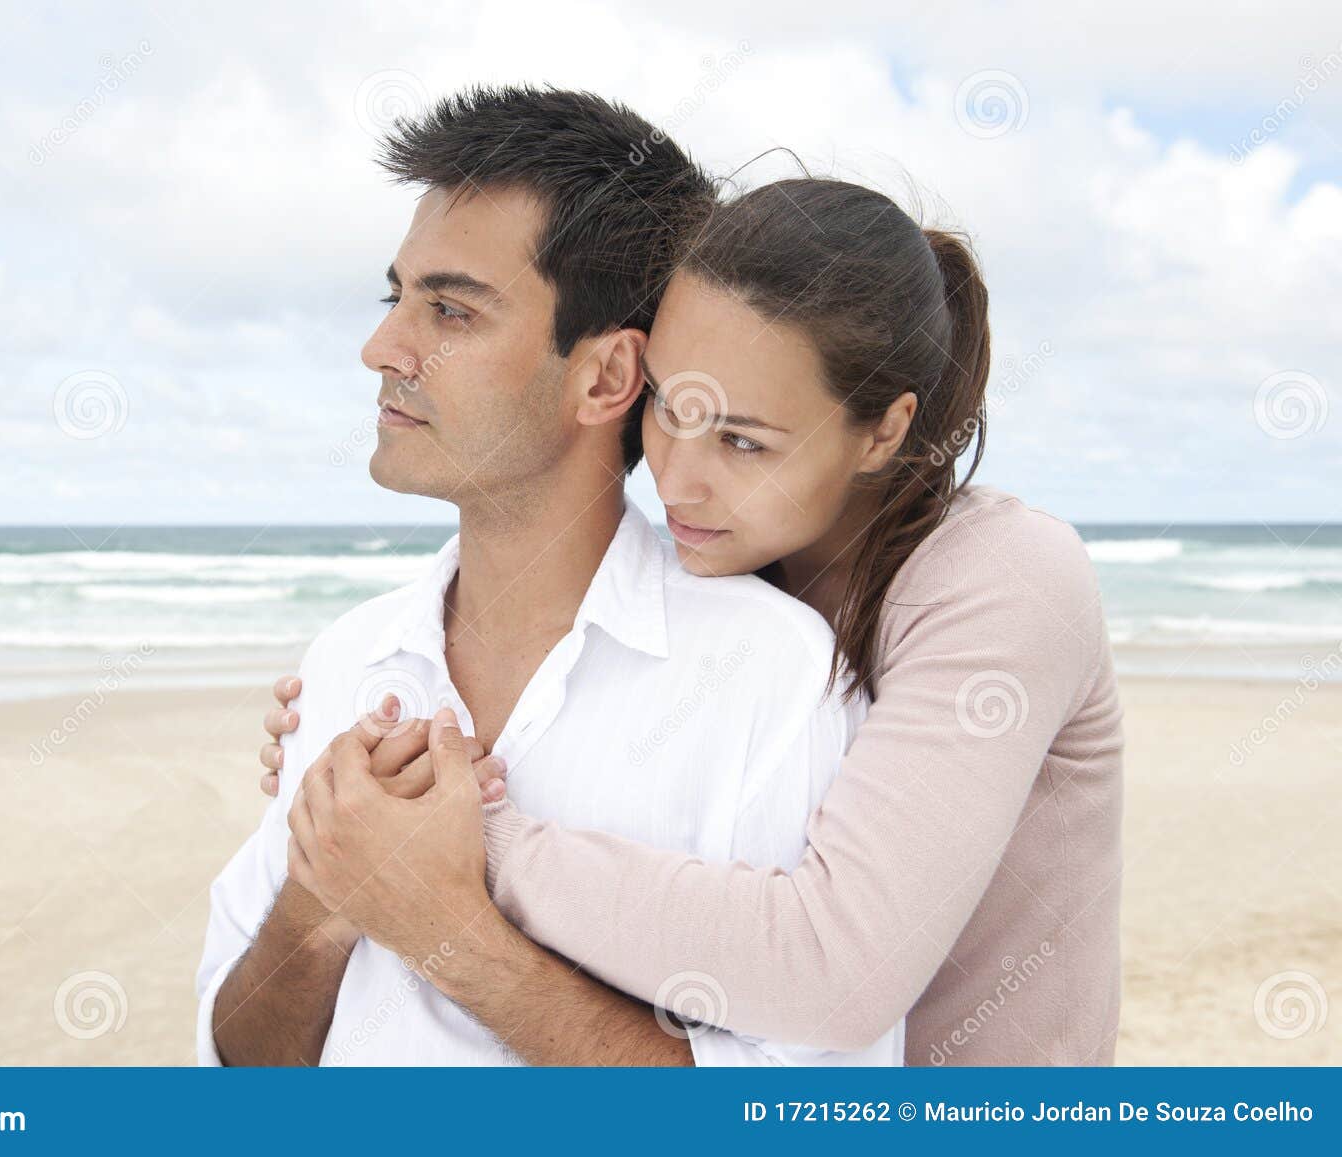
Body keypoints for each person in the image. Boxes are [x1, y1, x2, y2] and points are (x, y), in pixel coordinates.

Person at [261, 172, 1125, 1065]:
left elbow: (835, 969)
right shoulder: (736, 563)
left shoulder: (1002, 577)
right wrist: (343, 743)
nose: (674, 479)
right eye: (668, 408)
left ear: (884, 431)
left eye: (743, 441)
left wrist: (453, 836)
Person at [196, 86, 904, 1067]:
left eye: (450, 309)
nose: (382, 349)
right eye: (395, 298)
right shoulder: (347, 658)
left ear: (606, 377)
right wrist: (313, 911)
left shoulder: (771, 677)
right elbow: (232, 1067)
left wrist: (451, 933)